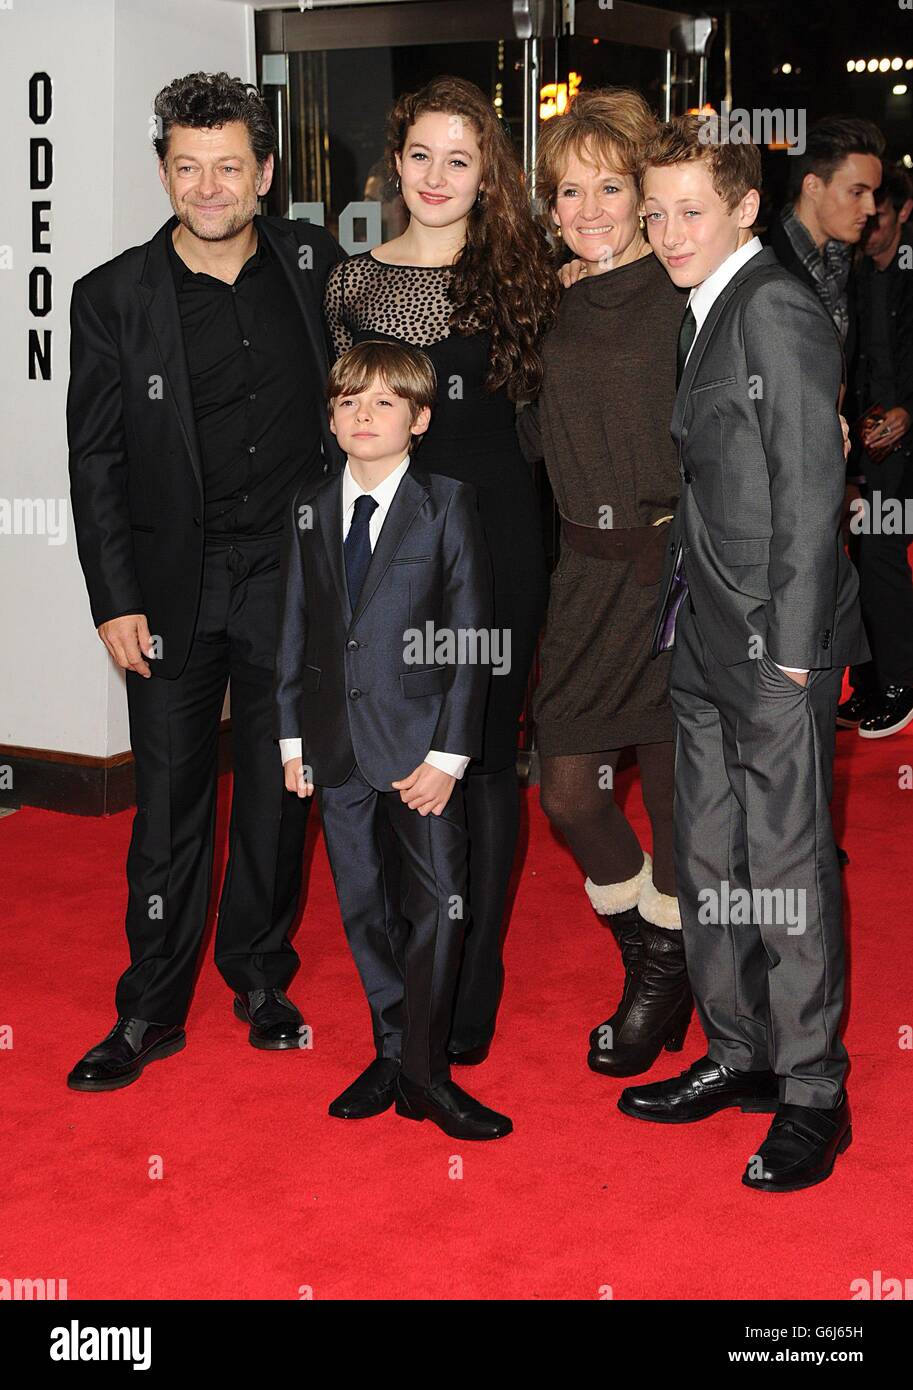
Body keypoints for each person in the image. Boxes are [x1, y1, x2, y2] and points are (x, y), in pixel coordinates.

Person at [66, 73, 344, 1091]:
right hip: (172, 583)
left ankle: (260, 974)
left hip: (291, 571)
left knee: (281, 787)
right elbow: (93, 460)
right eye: (189, 167)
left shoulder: (314, 266)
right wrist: (114, 595)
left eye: (230, 166)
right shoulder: (112, 298)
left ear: (265, 173)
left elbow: (410, 325)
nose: (210, 186)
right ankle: (150, 1004)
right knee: (170, 799)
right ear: (163, 172)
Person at [619, 116, 869, 1194]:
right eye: (655, 212)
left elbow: (812, 489)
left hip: (775, 646)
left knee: (785, 864)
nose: (669, 230)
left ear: (742, 210)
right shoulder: (701, 308)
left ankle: (813, 1089)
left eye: (690, 210)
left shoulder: (772, 308)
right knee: (710, 857)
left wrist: (801, 656)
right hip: (703, 636)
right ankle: (739, 1049)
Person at [322, 76, 558, 1074]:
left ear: (487, 174)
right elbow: (348, 433)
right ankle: (402, 982)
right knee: (389, 764)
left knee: (482, 766)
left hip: (497, 547)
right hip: (387, 557)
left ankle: (468, 985)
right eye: (420, 154)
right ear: (394, 160)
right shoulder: (350, 285)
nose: (435, 176)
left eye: (459, 159)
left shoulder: (524, 276)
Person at [275, 340, 511, 1140]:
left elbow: (471, 637)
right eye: (347, 402)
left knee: (440, 909)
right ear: (331, 417)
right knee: (364, 907)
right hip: (335, 746)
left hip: (421, 755)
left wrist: (448, 757)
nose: (362, 416)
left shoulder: (447, 504)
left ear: (418, 419)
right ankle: (388, 1048)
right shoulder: (309, 505)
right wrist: (288, 736)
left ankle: (425, 1071)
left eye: (382, 403)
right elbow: (296, 629)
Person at [516, 88, 691, 1079]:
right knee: (570, 793)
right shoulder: (549, 299)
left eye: (608, 186)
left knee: (673, 800)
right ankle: (658, 955)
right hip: (581, 570)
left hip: (671, 573)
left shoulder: (683, 292)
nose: (588, 207)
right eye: (568, 190)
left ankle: (655, 983)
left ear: (641, 193)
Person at [842, 166, 913, 738]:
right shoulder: (856, 274)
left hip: (907, 441)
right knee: (855, 556)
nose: (869, 227)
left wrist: (907, 412)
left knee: (881, 555)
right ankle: (867, 685)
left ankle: (900, 682)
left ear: (904, 213)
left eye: (880, 217)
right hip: (865, 438)